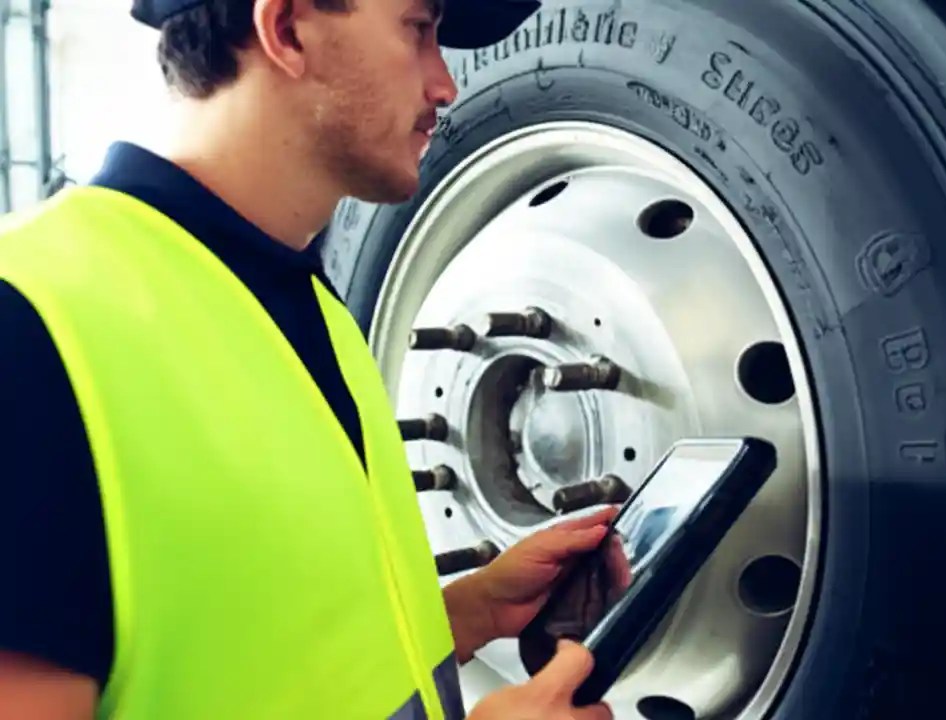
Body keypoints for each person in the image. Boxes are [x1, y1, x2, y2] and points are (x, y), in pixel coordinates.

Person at [0, 0, 617, 718]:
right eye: (418, 30)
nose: (444, 83)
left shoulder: (308, 305)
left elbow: (265, 659)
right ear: (288, 29)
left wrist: (466, 613)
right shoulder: (27, 325)